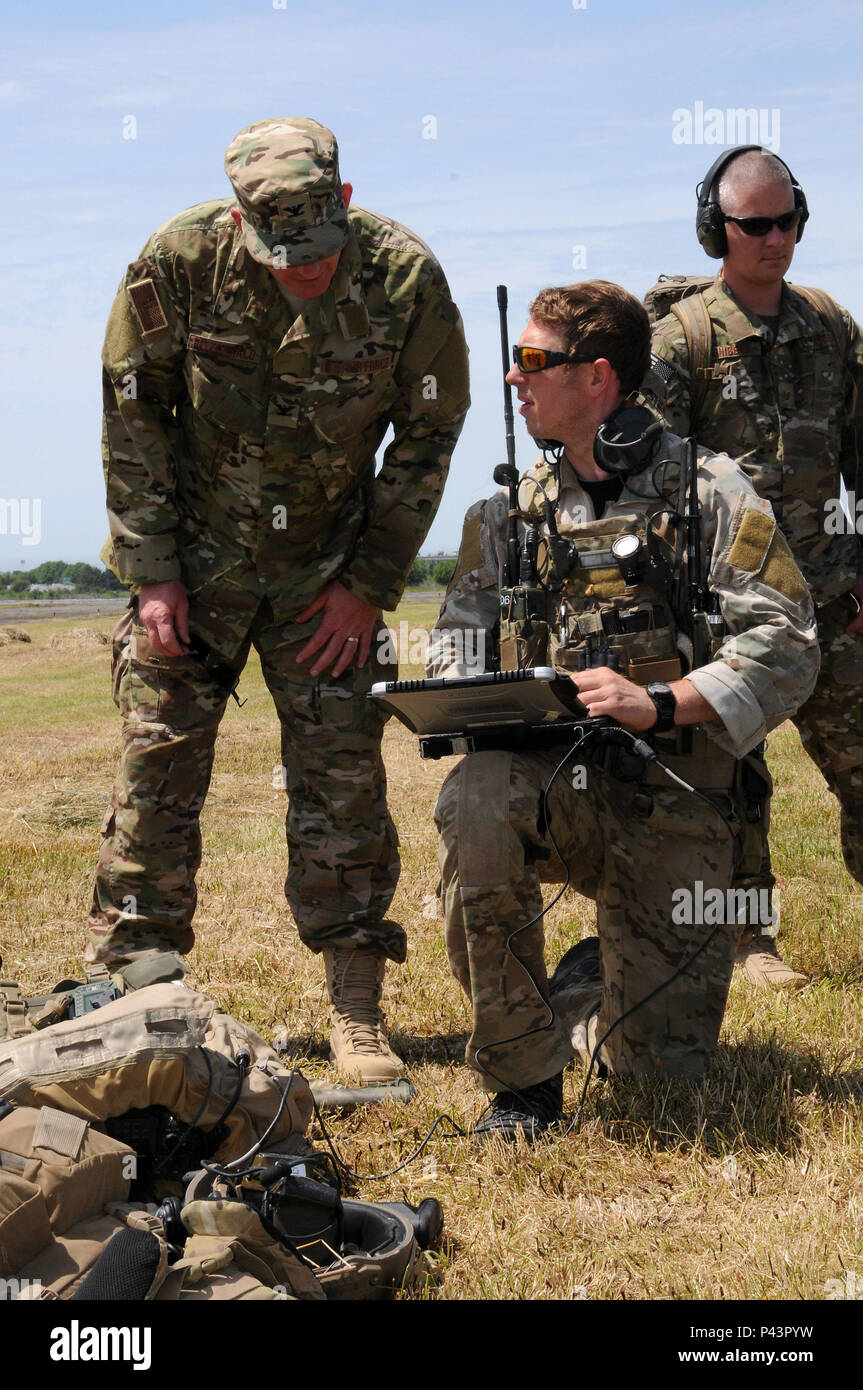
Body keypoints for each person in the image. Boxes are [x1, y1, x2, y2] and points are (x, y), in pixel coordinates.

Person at [87, 117, 470, 1082]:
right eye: (278, 253)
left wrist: (368, 586)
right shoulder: (176, 262)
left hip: (326, 577)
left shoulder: (405, 277)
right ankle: (140, 997)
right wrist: (154, 572)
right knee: (155, 776)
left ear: (345, 203)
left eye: (317, 250)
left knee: (342, 783)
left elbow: (429, 432)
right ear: (238, 221)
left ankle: (354, 1008)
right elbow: (132, 408)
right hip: (199, 565)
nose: (301, 269)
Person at [428, 280, 818, 1141]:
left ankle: (585, 985)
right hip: (557, 789)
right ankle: (524, 1080)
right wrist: (475, 691)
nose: (512, 378)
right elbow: (452, 642)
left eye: (533, 360)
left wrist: (660, 702)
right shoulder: (509, 513)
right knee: (476, 795)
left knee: (656, 1081)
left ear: (597, 378)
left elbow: (789, 648)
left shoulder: (711, 493)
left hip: (680, 802)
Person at [646, 145, 863, 991]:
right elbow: (651, 480)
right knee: (731, 776)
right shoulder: (680, 338)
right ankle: (748, 941)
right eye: (755, 225)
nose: (775, 239)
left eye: (788, 222)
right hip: (729, 606)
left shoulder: (830, 326)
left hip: (833, 595)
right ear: (717, 229)